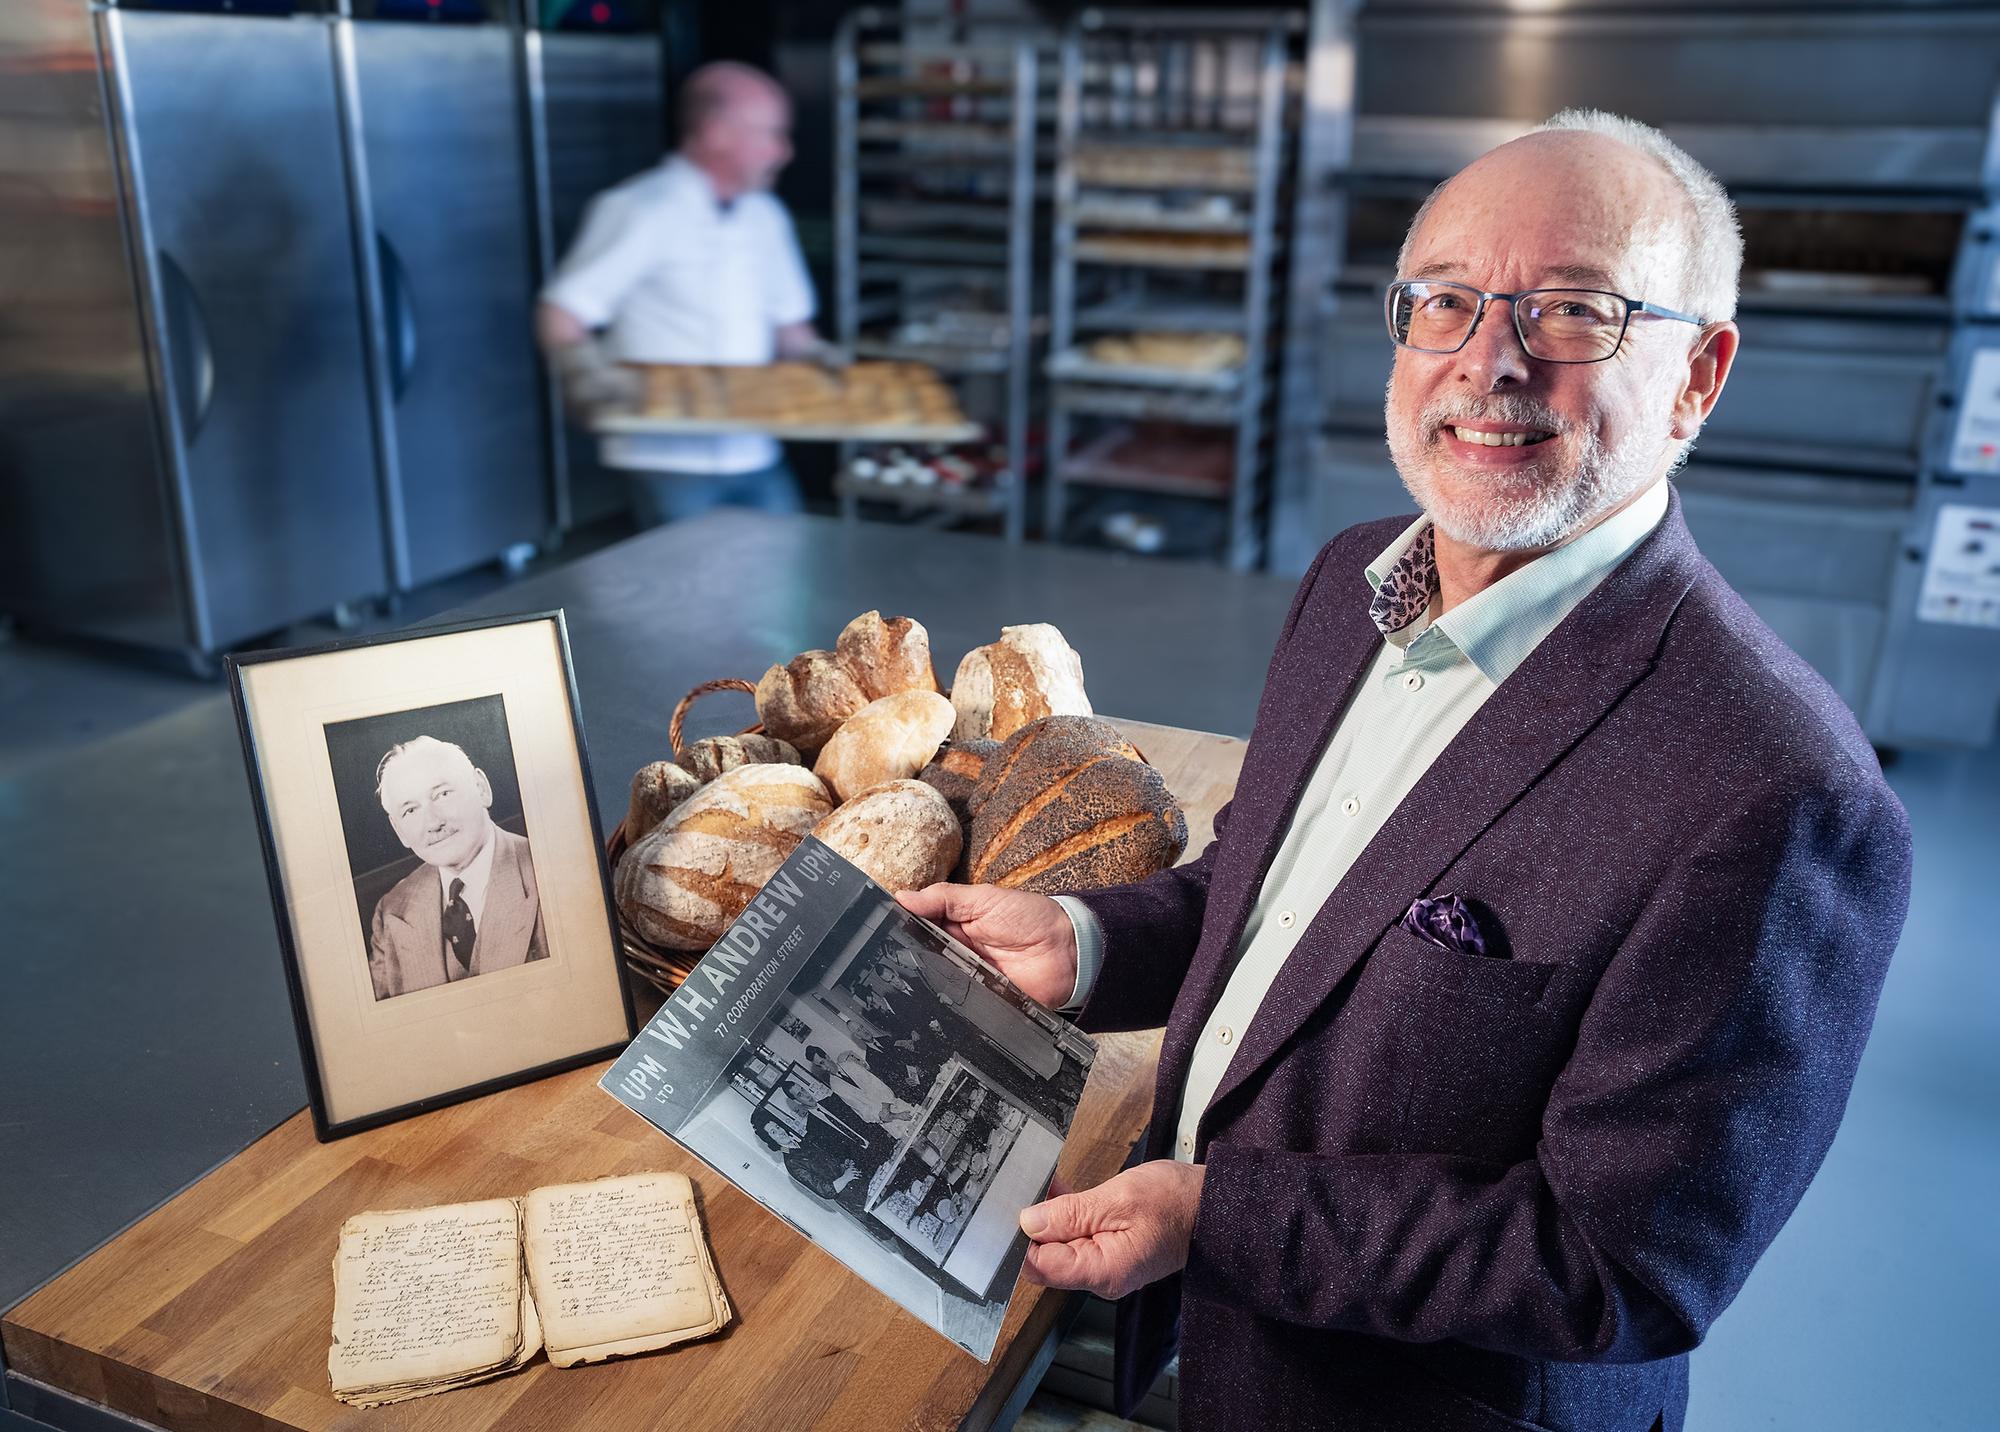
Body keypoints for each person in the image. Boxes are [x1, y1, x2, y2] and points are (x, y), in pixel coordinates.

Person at [899, 110, 1913, 1432]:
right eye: (1446, 302)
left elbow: (1624, 1266)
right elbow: (1283, 905)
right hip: (1233, 1360)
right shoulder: (1354, 582)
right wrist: (1088, 945)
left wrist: (1218, 1217)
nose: (1488, 362)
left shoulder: (1775, 791)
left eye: (1572, 312)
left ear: (1699, 377)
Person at [535, 61, 843, 527]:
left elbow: (790, 328)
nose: (784, 151)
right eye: (771, 134)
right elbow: (563, 311)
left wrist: (823, 361)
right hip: (668, 458)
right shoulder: (641, 209)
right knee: (692, 594)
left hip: (753, 446)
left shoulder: (766, 216)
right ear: (717, 133)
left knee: (787, 583)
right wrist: (582, 372)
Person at [367, 735, 545, 1000]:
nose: (432, 823)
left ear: (481, 788)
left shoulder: (549, 870)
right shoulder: (392, 910)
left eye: (442, 794)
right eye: (410, 811)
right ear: (399, 830)